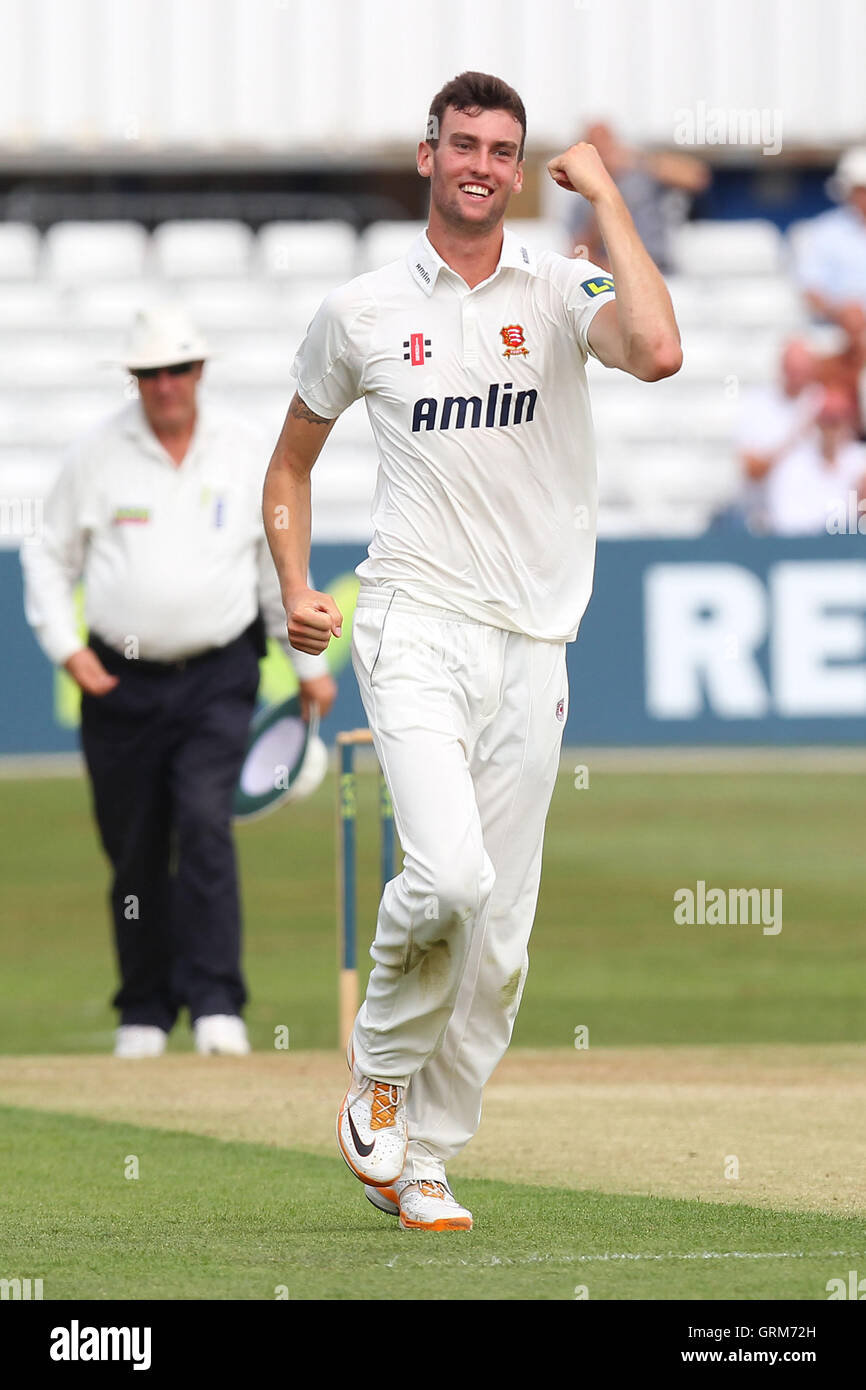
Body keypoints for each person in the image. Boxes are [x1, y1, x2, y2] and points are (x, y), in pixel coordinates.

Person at [263, 71, 681, 1231]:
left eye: (503, 149)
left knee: (496, 944)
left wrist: (604, 195)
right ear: (426, 154)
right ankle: (380, 1075)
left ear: (518, 165)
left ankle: (428, 1156)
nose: (482, 164)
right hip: (412, 622)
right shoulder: (357, 312)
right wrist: (297, 584)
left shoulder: (558, 286)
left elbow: (654, 351)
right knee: (448, 876)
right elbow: (289, 467)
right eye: (463, 144)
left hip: (533, 641)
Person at [21, 306, 335, 1059]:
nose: (164, 386)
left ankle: (218, 1003)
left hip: (218, 675)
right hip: (119, 685)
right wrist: (67, 648)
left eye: (177, 371)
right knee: (133, 849)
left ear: (199, 373)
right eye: (150, 374)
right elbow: (45, 553)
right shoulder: (96, 454)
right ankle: (145, 1009)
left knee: (203, 825)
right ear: (135, 380)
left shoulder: (241, 449)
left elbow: (274, 569)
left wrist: (309, 668)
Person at [564, 120, 710, 272]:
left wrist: (635, 160)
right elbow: (580, 253)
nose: (603, 151)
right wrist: (601, 201)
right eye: (594, 146)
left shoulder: (642, 175)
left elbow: (697, 178)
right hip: (616, 274)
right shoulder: (581, 198)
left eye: (606, 143)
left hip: (658, 267)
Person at [763, 387, 866, 535]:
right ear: (817, 423)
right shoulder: (793, 465)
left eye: (838, 420)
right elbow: (786, 521)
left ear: (849, 422)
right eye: (827, 420)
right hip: (808, 549)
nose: (832, 429)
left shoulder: (861, 461)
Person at [794, 146, 866, 327]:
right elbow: (810, 291)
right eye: (862, 190)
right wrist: (842, 316)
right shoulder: (824, 232)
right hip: (838, 331)